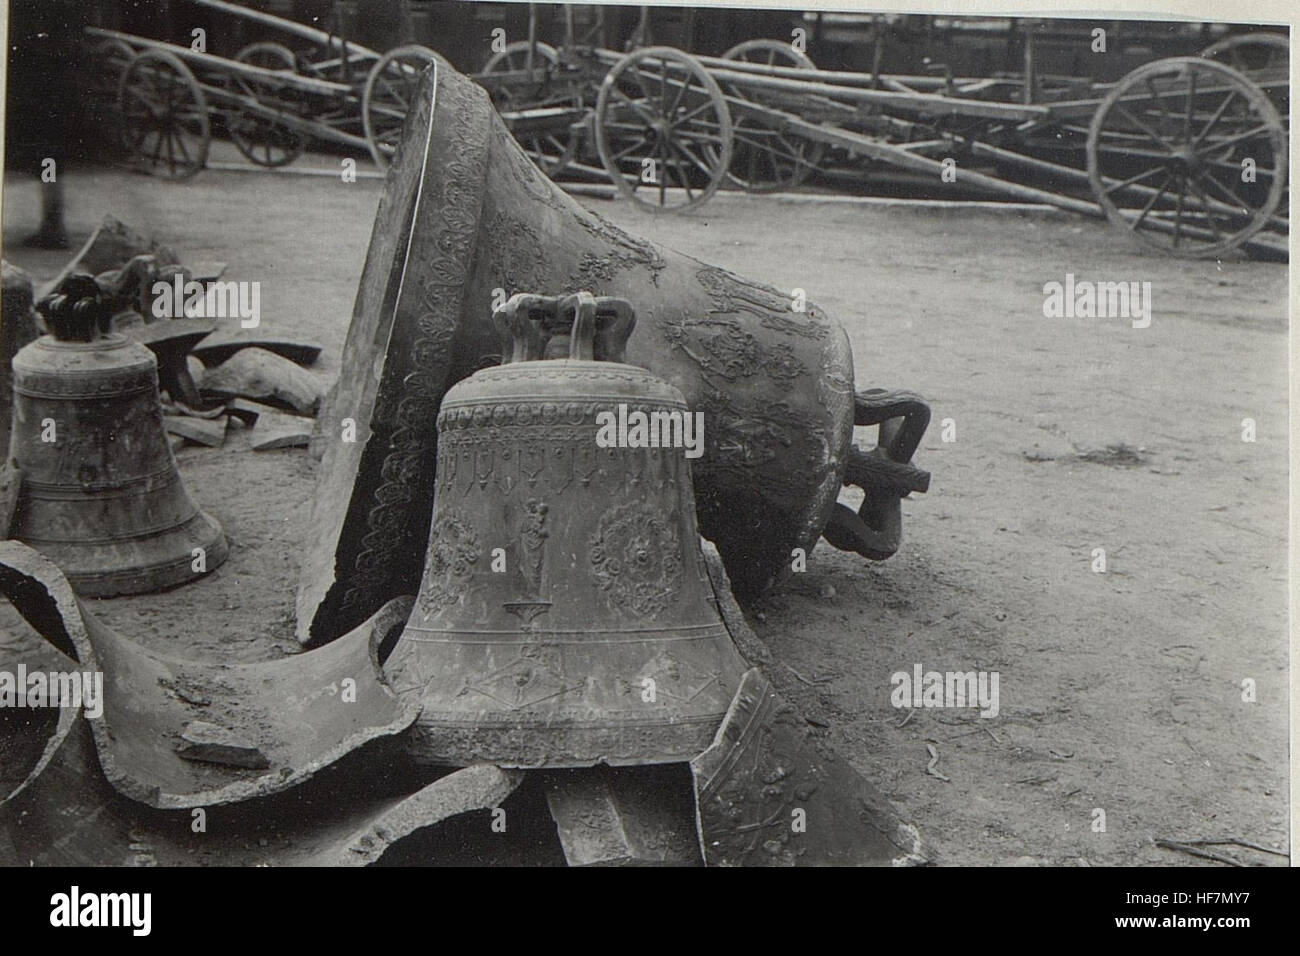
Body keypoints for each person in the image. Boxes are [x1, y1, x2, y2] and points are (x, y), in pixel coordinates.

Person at [4, 0, 89, 249]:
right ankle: (52, 223)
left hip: (39, 85)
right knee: (49, 156)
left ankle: (53, 225)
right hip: (54, 82)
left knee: (47, 155)